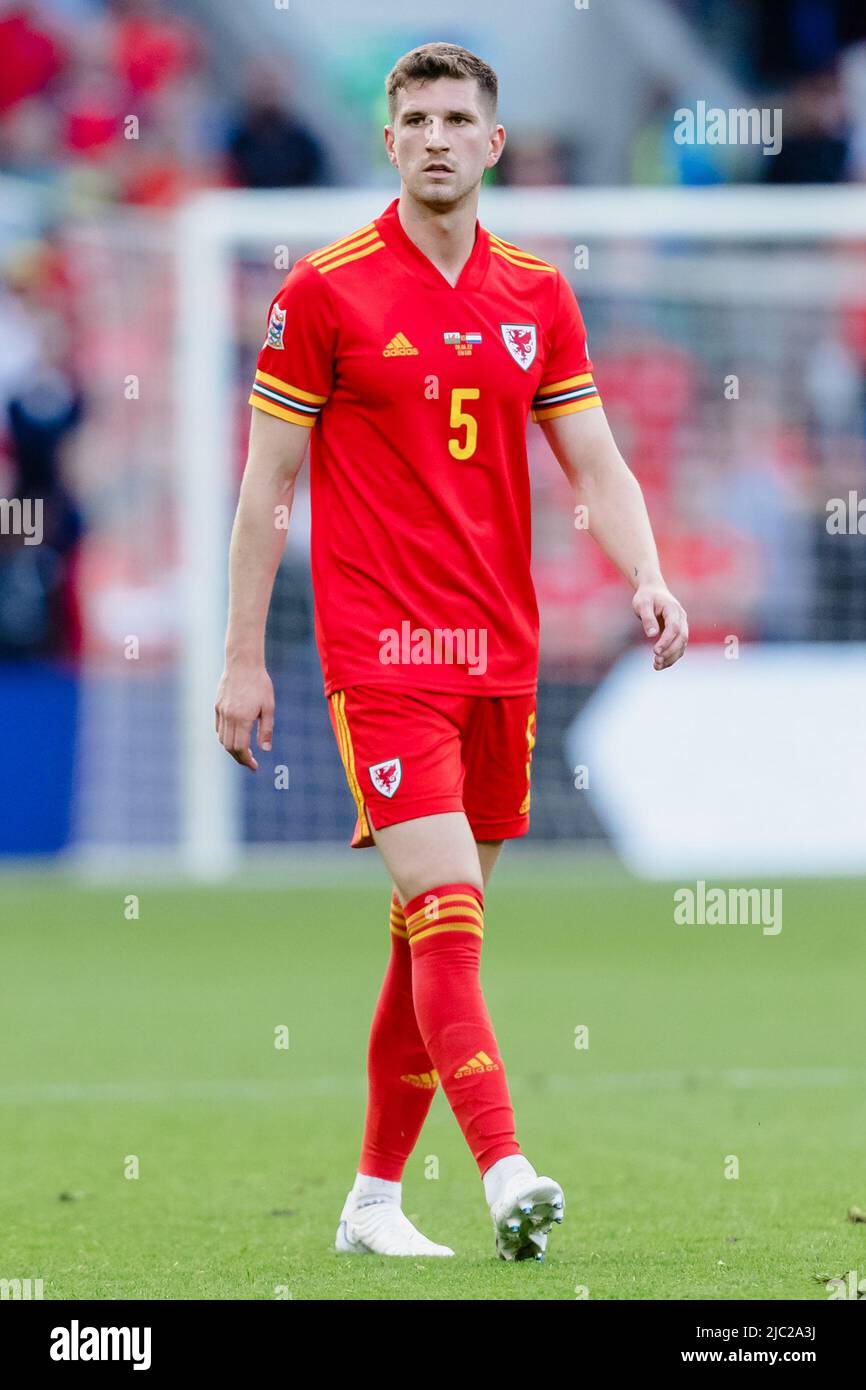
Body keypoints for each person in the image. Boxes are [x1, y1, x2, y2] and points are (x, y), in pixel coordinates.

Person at [215, 41, 688, 1262]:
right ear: (388, 142)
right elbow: (268, 485)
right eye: (412, 117)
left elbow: (594, 461)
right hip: (379, 651)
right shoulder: (322, 290)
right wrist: (239, 656)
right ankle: (503, 1166)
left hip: (499, 655)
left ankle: (371, 1201)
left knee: (424, 933)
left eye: (455, 118)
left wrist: (644, 572)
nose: (433, 136)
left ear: (491, 141)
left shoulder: (536, 293)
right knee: (446, 904)